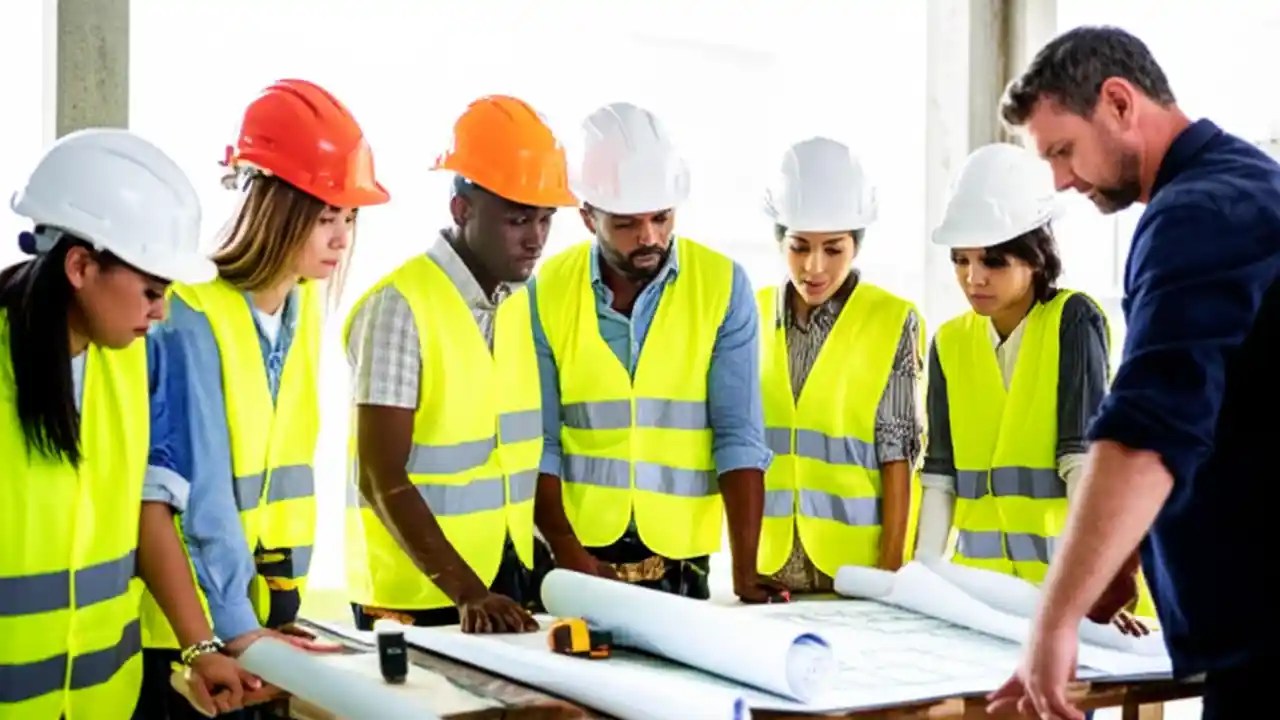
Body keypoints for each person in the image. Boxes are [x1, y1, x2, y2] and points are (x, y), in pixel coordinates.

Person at [987, 26, 1280, 720]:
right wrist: (1119, 556)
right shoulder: (1250, 191)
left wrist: (1053, 623)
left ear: (1119, 103)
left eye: (1063, 149)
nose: (1059, 178)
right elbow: (1229, 415)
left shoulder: (1200, 214)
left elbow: (1151, 426)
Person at [134, 78, 389, 718]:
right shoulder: (188, 315)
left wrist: (272, 615)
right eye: (327, 217)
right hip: (187, 637)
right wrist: (234, 627)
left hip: (266, 617)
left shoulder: (302, 307)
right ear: (274, 209)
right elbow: (195, 494)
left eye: (349, 219)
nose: (341, 238)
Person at [1, 128, 257, 719]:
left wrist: (200, 648)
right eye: (150, 289)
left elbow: (147, 511)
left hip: (99, 703)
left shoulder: (129, 361)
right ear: (80, 265)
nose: (161, 310)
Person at [529, 101, 786, 603]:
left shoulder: (722, 285)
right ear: (588, 217)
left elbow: (738, 435)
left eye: (662, 217)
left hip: (679, 565)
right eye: (626, 223)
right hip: (572, 554)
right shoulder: (547, 291)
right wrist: (567, 552)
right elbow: (541, 442)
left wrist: (746, 568)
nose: (649, 237)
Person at [344, 94, 576, 634]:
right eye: (520, 219)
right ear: (461, 209)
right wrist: (467, 591)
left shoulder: (518, 301)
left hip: (497, 582)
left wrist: (562, 552)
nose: (536, 239)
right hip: (414, 602)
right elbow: (380, 476)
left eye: (546, 220)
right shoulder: (400, 307)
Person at [754, 137, 924, 593]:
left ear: (856, 245)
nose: (814, 267)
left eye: (833, 249)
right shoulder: (749, 316)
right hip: (767, 568)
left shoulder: (892, 319)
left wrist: (891, 573)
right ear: (779, 240)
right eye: (799, 247)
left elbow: (898, 453)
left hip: (853, 569)